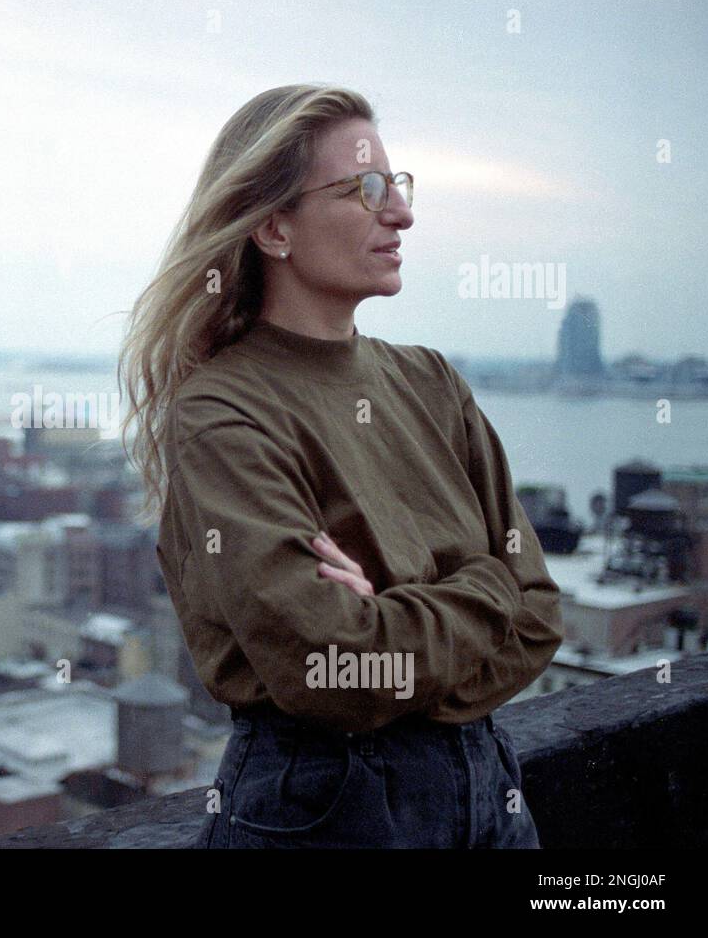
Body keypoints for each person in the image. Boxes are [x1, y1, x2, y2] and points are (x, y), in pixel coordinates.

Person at [117, 84, 564, 848]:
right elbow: (331, 663)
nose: (401, 213)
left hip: (492, 794)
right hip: (327, 812)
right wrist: (485, 582)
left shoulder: (431, 381)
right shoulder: (224, 411)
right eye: (364, 188)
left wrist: (393, 618)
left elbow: (542, 614)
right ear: (274, 227)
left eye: (397, 185)